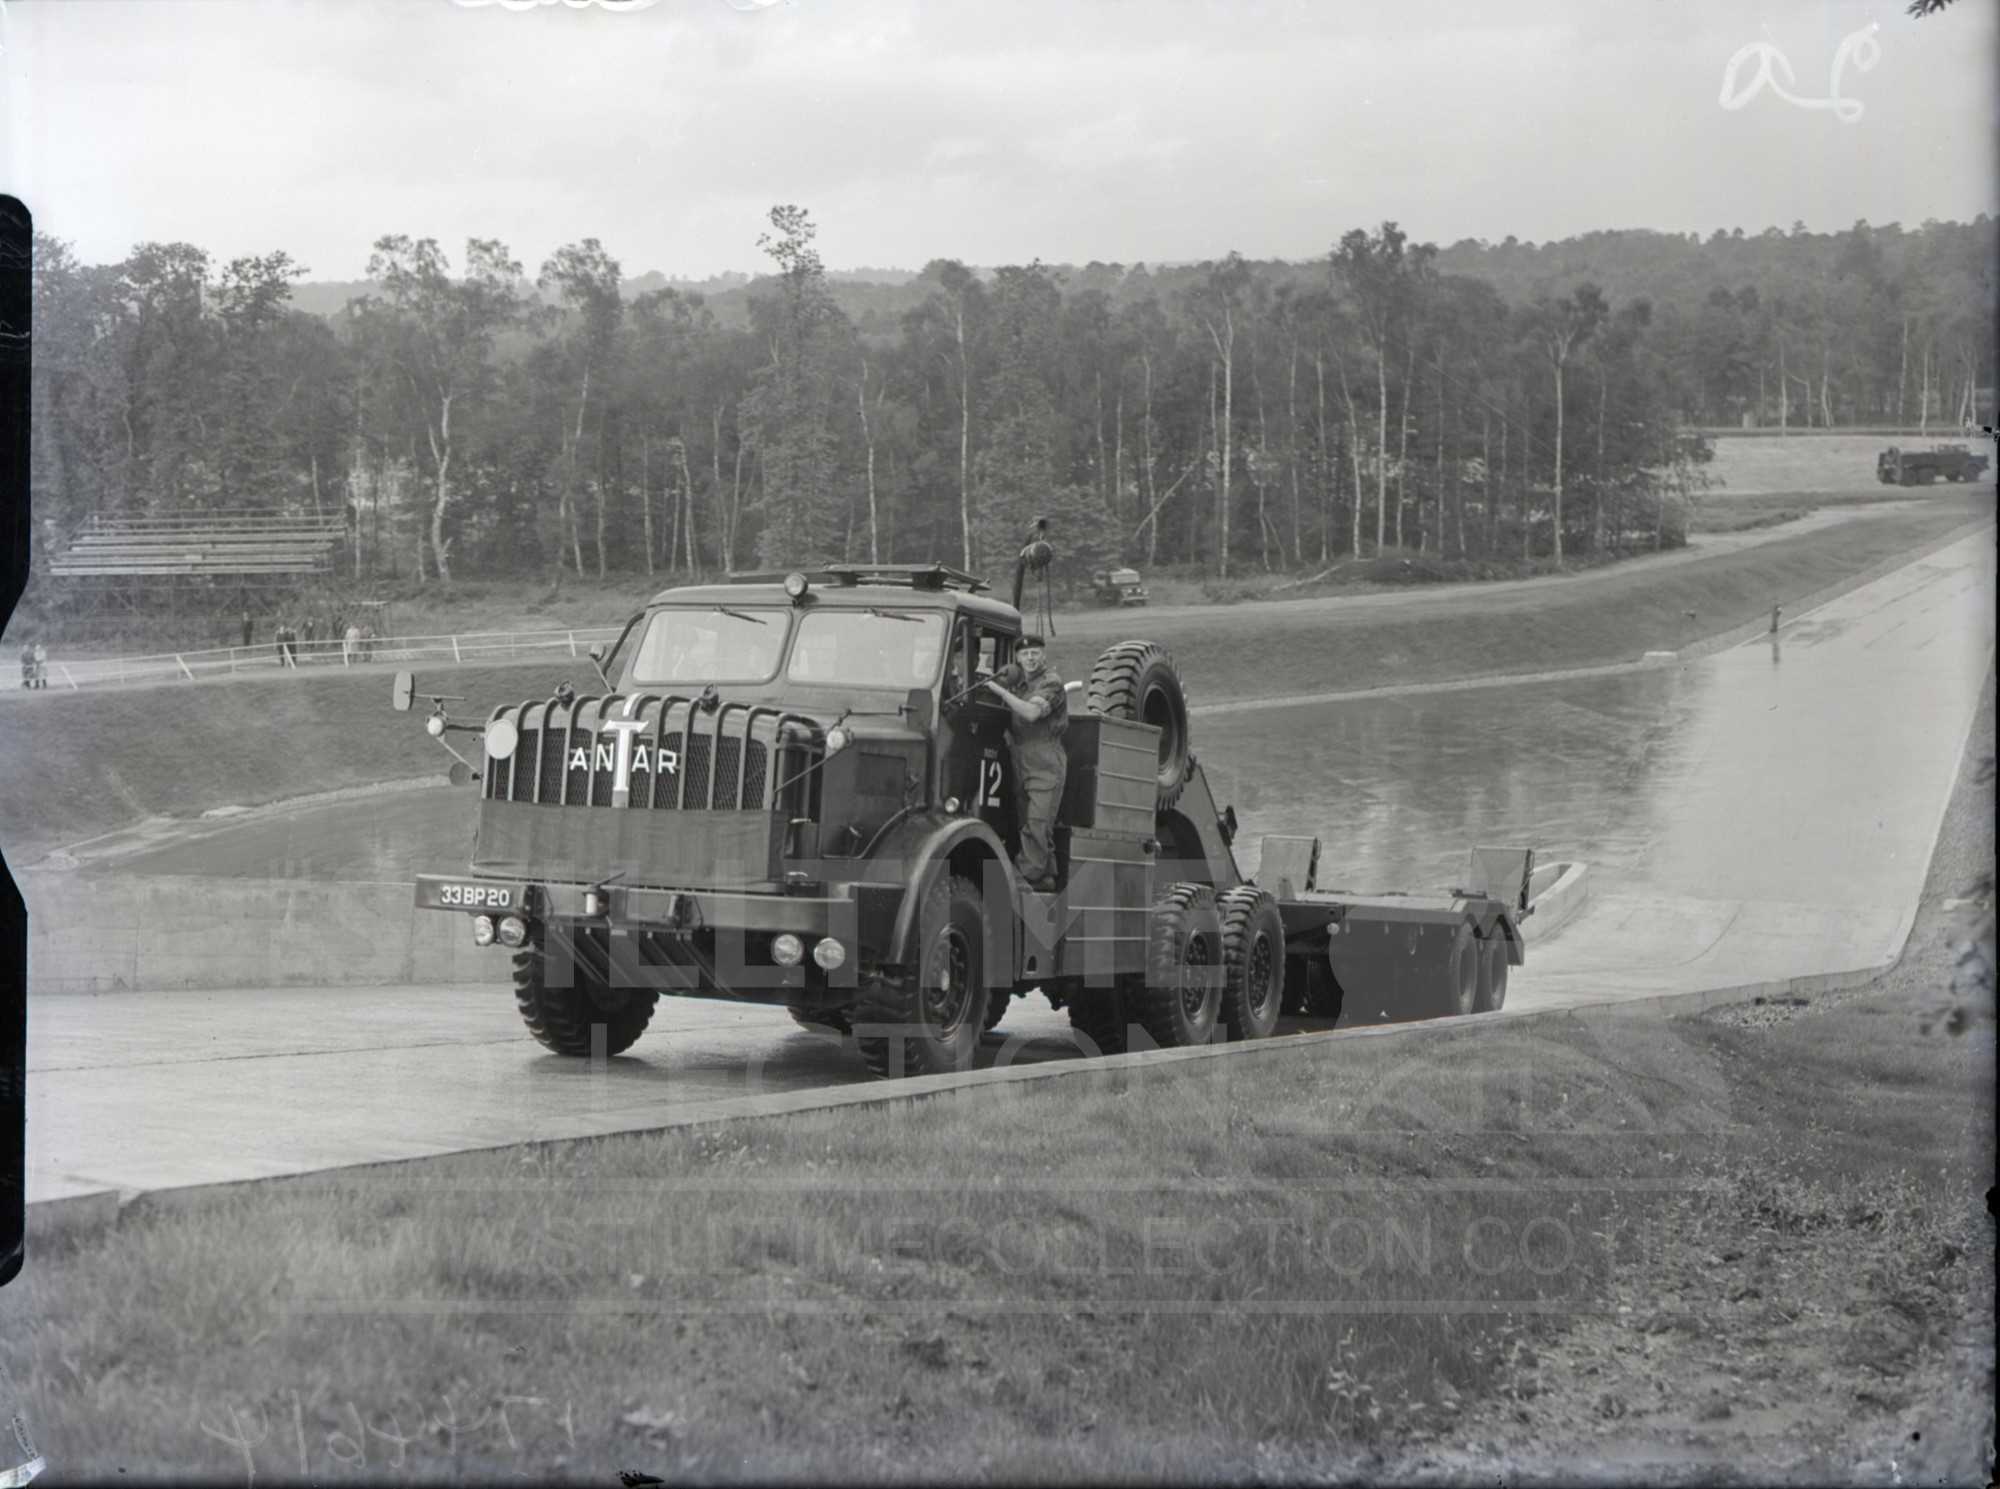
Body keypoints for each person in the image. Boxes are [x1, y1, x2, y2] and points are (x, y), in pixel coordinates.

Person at [981, 633, 1069, 893]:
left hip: (1045, 761)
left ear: (1044, 655)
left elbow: (1031, 713)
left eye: (1035, 653)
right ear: (1017, 658)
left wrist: (997, 689)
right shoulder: (1019, 685)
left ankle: (1024, 875)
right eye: (1024, 654)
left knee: (1038, 823)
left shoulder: (1051, 682)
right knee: (1026, 824)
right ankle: (1046, 877)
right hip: (1021, 758)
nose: (1030, 658)